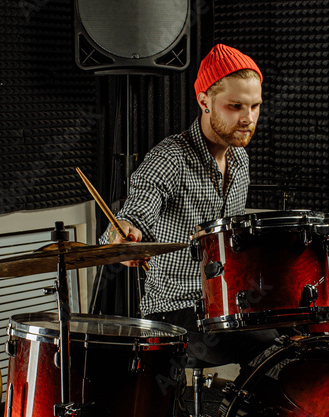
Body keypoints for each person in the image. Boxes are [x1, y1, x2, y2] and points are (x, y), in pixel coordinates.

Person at [105, 43, 276, 369]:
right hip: (174, 311)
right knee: (265, 349)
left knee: (301, 334)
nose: (248, 119)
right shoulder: (171, 158)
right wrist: (126, 230)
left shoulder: (240, 159)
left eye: (255, 106)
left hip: (223, 301)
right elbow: (138, 206)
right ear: (204, 102)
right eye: (236, 106)